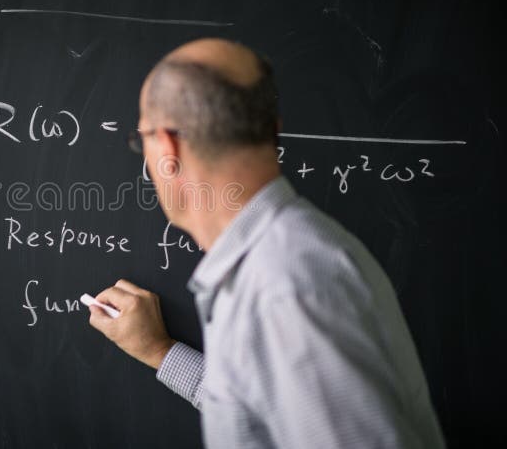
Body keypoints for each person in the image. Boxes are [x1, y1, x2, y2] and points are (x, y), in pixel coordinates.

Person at [87, 38, 445, 448]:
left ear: (168, 148)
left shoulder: (287, 286)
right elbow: (267, 414)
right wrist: (161, 353)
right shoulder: (275, 261)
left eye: (142, 140)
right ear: (272, 132)